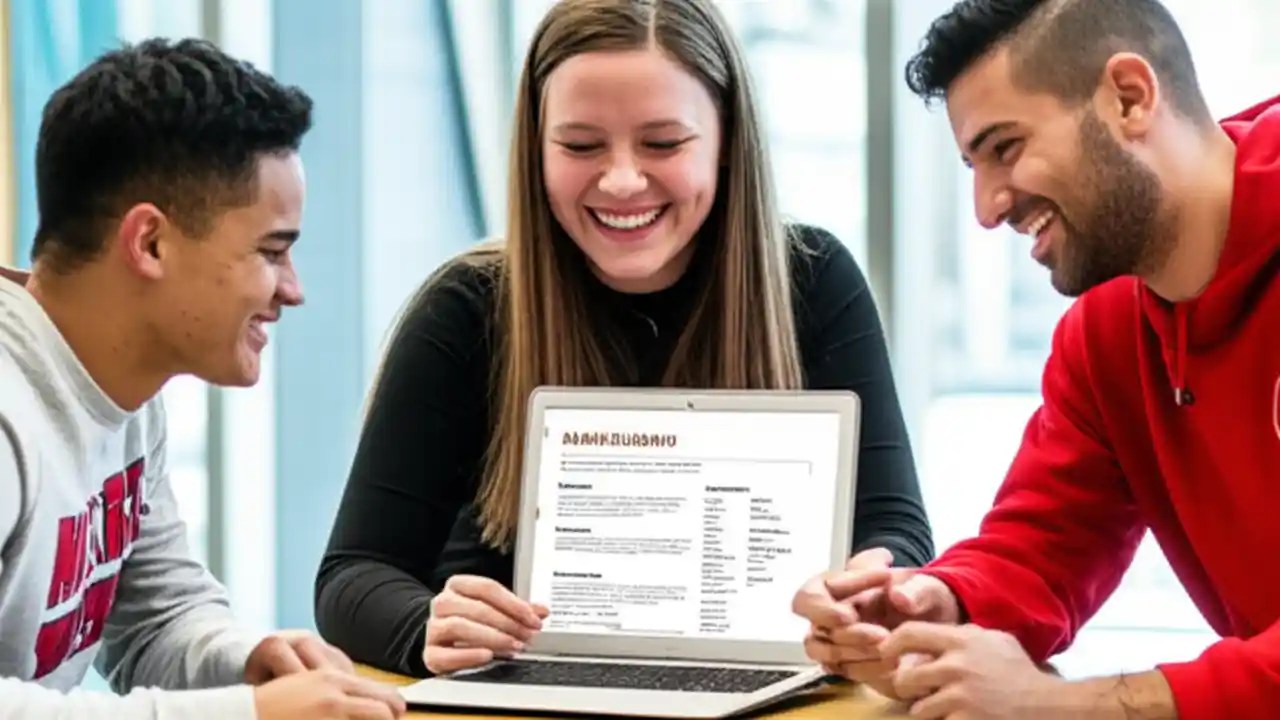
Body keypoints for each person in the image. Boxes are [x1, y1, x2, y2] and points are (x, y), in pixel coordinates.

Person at [314, 0, 934, 679]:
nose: (621, 180)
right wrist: (425, 622)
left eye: (664, 143)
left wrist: (868, 593)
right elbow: (353, 577)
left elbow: (896, 532)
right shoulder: (467, 309)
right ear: (536, 149)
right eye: (580, 146)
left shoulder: (811, 283)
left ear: (726, 142)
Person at [791, 0, 1280, 718]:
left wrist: (1081, 706)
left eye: (1005, 148)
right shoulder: (1106, 332)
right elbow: (1043, 544)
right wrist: (930, 605)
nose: (987, 208)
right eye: (972, 164)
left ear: (1129, 97)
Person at [0, 38, 405, 720]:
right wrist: (250, 715)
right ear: (150, 243)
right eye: (270, 251)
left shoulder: (123, 391)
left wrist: (250, 658)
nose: (293, 291)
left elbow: (157, 622)